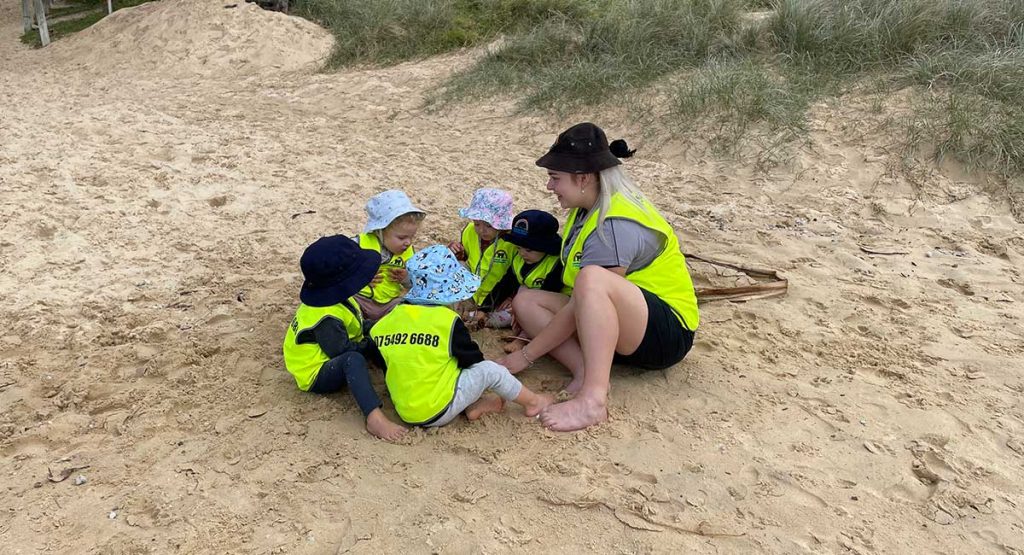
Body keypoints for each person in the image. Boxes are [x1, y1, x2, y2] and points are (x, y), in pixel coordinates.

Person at [498, 122, 700, 432]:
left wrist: (528, 354)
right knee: (527, 300)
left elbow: (587, 296)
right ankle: (585, 369)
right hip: (624, 322)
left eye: (555, 178)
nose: (550, 187)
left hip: (665, 333)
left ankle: (593, 399)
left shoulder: (615, 223)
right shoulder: (589, 206)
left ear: (583, 178)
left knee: (593, 279)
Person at [370, 244, 554, 428]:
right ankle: (533, 402)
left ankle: (476, 405)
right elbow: (472, 360)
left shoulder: (388, 320)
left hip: (404, 408)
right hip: (437, 409)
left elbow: (381, 360)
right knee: (489, 370)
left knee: (434, 362)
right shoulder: (447, 320)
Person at [282, 235, 407, 441]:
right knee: (354, 360)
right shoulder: (325, 318)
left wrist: (380, 329)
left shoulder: (335, 296)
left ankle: (397, 380)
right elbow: (342, 351)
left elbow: (355, 323)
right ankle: (373, 416)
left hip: (337, 346)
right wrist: (370, 342)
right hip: (315, 372)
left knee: (377, 332)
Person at [484, 210, 567, 347]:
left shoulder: (555, 265)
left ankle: (523, 338)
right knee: (516, 295)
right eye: (518, 248)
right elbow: (505, 284)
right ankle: (489, 318)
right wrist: (485, 308)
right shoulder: (519, 259)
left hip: (551, 309)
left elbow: (549, 292)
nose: (522, 253)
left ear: (545, 247)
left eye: (529, 250)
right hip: (525, 301)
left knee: (525, 302)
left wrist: (520, 312)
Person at [353, 190, 426, 323]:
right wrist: (359, 277)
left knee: (408, 309)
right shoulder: (360, 245)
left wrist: (406, 278)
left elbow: (416, 284)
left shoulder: (408, 252)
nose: (408, 242)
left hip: (389, 304)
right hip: (360, 299)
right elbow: (339, 271)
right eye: (402, 237)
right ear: (380, 230)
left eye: (411, 237)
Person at [446, 188, 515, 317]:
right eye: (477, 224)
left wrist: (511, 297)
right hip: (471, 291)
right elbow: (465, 257)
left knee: (513, 311)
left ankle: (483, 318)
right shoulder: (469, 231)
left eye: (489, 225)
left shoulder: (512, 242)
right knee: (456, 267)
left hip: (498, 295)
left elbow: (516, 275)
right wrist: (455, 250)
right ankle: (462, 312)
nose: (482, 230)